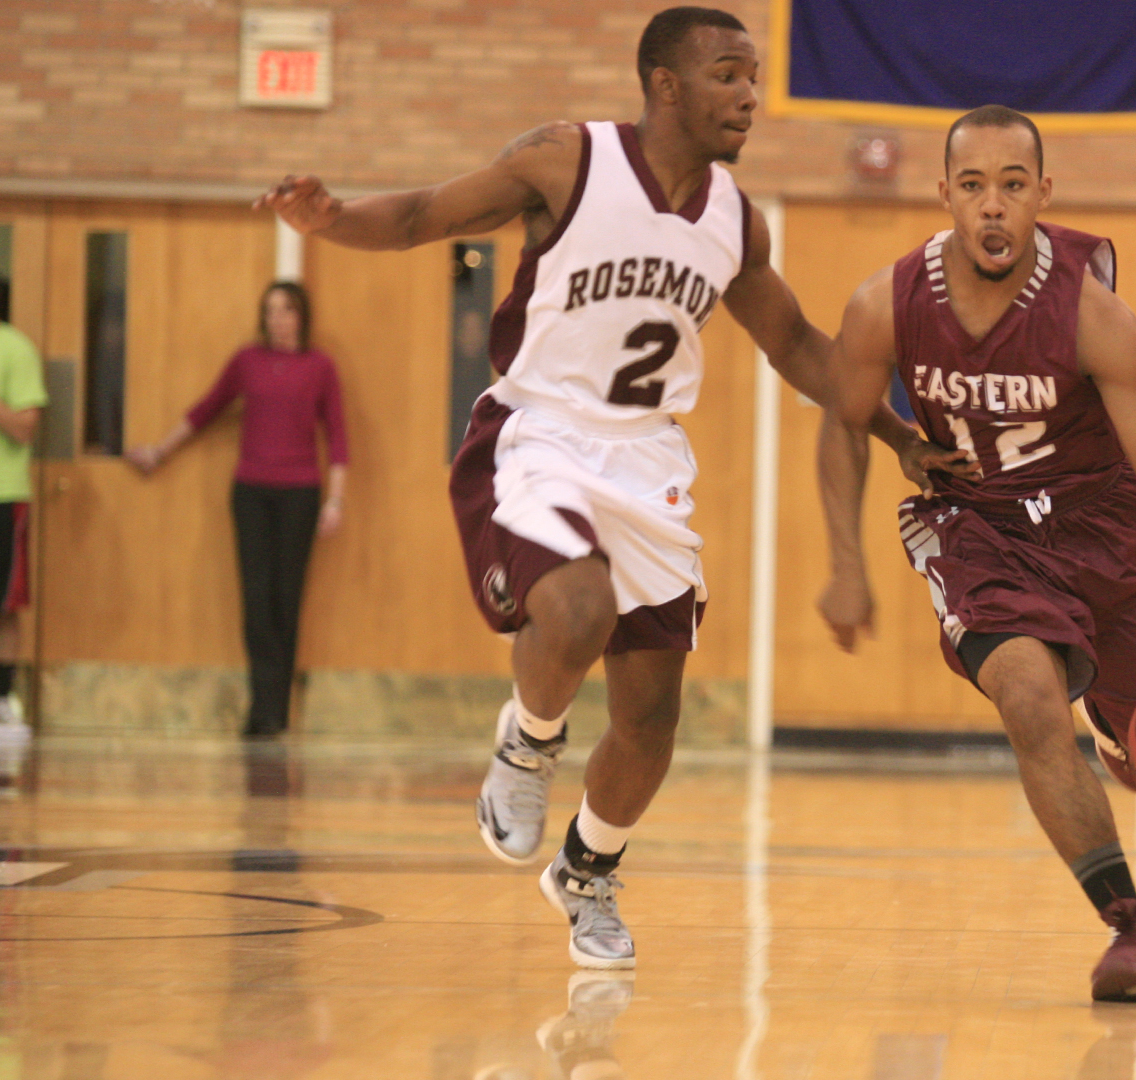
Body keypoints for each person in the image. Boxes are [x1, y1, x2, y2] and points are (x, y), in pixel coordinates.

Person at [256, 7, 957, 969]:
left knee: (650, 720)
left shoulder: (733, 221)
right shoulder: (566, 161)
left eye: (753, 77)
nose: (749, 94)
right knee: (576, 607)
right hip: (540, 429)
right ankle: (529, 741)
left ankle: (585, 873)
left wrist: (899, 433)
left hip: (649, 458)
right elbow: (426, 216)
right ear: (664, 84)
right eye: (726, 74)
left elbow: (799, 348)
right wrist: (332, 222)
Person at [815, 106, 1136, 1003]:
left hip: (1101, 522)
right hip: (980, 524)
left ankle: (1114, 718)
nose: (994, 208)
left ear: (1044, 195)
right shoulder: (887, 303)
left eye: (1014, 186)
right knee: (1028, 695)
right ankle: (1129, 927)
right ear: (944, 192)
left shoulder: (1094, 316)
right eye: (975, 187)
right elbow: (842, 422)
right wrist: (845, 561)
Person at [126, 282, 349, 739]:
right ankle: (261, 706)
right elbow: (205, 410)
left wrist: (336, 499)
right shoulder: (246, 361)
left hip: (300, 493)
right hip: (251, 490)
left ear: (301, 316)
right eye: (269, 311)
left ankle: (275, 711)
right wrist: (158, 452)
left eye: (285, 310)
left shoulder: (320, 367)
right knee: (255, 599)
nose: (277, 319)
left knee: (286, 602)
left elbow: (339, 435)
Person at [0, 260, 44, 734]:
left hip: (0, 494)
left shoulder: (15, 349)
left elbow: (24, 428)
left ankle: (2, 698)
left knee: (2, 603)